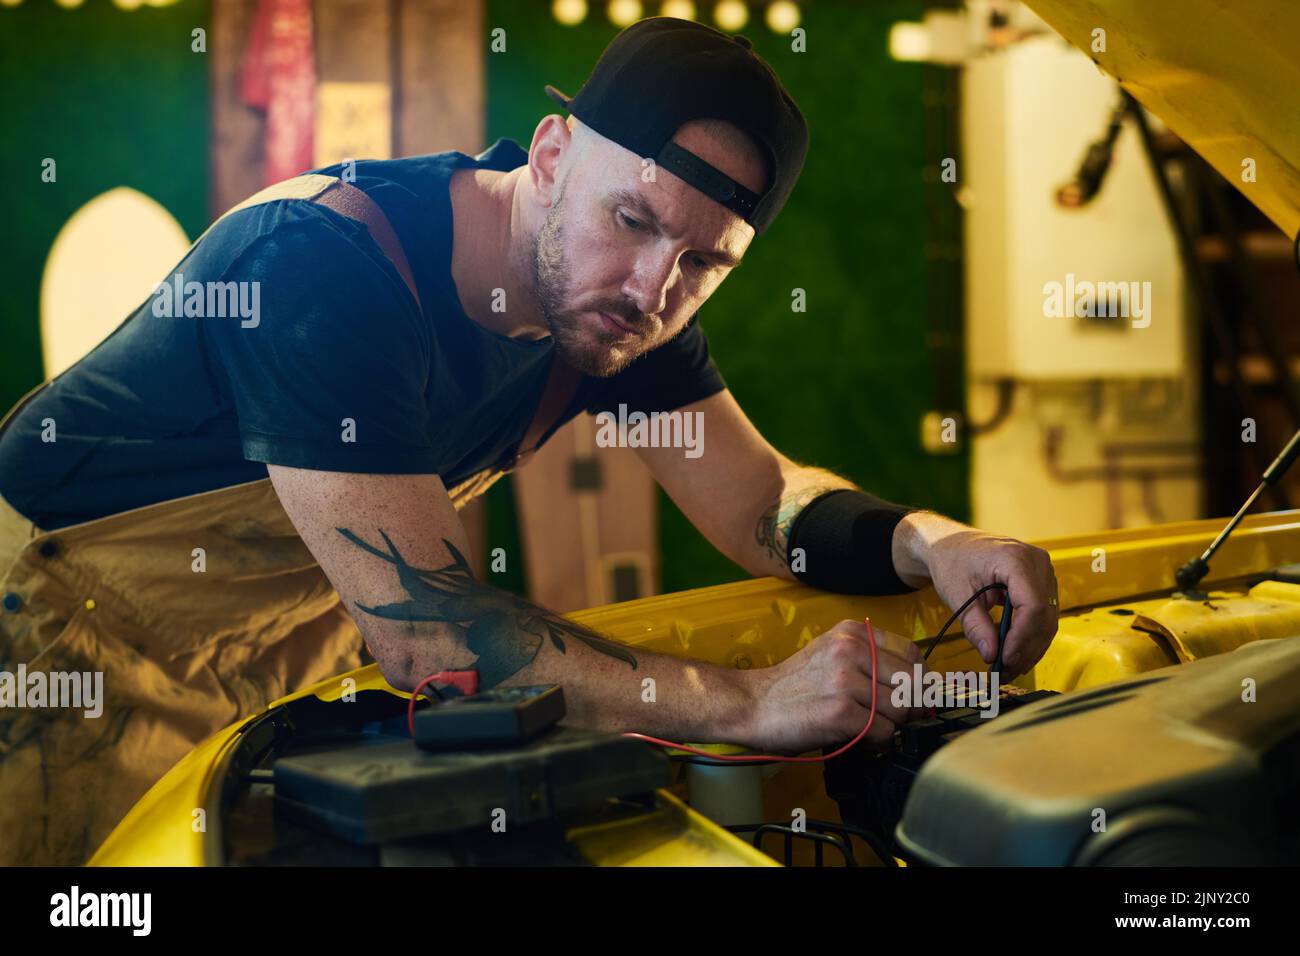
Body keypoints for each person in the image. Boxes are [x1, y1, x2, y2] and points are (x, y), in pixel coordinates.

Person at [0, 16, 1057, 865]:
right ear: (551, 155)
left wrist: (925, 540)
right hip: (57, 644)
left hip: (264, 649)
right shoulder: (320, 266)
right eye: (635, 221)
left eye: (706, 263)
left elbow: (760, 503)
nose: (655, 289)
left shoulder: (609, 312)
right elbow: (434, 631)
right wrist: (750, 701)